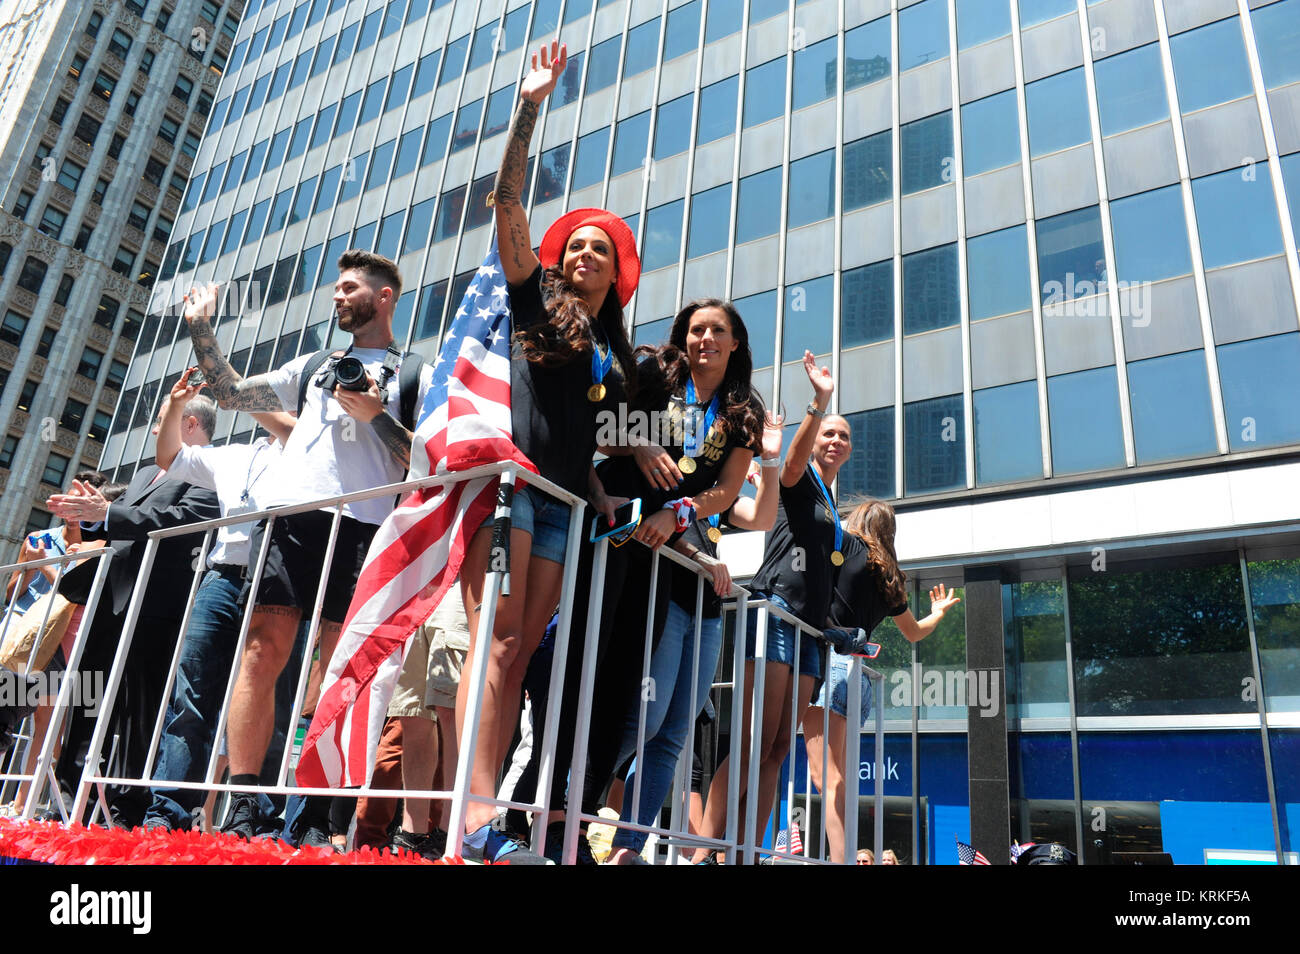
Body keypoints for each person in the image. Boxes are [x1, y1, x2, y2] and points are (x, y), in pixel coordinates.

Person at [452, 39, 639, 864]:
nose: (586, 254)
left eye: (602, 248)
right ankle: (468, 818)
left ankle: (482, 815)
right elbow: (507, 204)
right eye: (578, 245)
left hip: (566, 506)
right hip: (512, 487)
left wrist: (601, 489)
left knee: (522, 650)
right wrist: (531, 105)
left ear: (618, 274)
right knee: (494, 643)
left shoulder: (610, 353)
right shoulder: (535, 300)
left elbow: (592, 435)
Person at [179, 249, 432, 846]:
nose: (338, 296)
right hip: (292, 522)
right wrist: (200, 328)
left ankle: (316, 814)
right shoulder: (318, 362)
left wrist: (374, 414)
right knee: (263, 655)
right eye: (337, 288)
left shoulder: (415, 371)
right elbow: (231, 392)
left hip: (367, 530)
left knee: (340, 674)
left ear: (384, 297)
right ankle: (245, 803)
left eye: (349, 288)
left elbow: (423, 461)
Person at [605, 408, 785, 865]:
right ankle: (569, 809)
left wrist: (768, 459)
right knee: (641, 725)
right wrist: (699, 556)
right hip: (663, 599)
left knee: (672, 736)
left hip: (706, 611)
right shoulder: (675, 476)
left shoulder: (716, 500)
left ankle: (628, 848)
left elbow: (764, 516)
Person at [692, 351, 850, 862]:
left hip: (808, 629)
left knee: (779, 749)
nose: (835, 440)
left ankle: (743, 853)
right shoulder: (799, 477)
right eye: (829, 432)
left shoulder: (830, 501)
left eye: (843, 435)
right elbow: (793, 460)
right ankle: (701, 852)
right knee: (752, 742)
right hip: (775, 611)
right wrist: (818, 402)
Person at [47, 398, 220, 827]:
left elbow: (174, 517)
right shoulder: (144, 473)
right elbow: (119, 521)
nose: (153, 427)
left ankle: (126, 808)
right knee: (86, 699)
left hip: (157, 608)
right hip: (109, 601)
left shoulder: (214, 470)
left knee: (140, 712)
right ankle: (69, 800)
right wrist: (91, 516)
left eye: (161, 420)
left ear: (189, 423)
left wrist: (109, 513)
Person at [140, 368, 296, 832]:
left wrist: (233, 391)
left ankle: (255, 816)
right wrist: (174, 406)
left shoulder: (312, 455)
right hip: (221, 581)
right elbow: (169, 455)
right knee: (192, 694)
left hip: (281, 582)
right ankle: (167, 812)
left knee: (272, 698)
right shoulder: (233, 455)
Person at [803, 499, 960, 863]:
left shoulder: (847, 548)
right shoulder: (889, 577)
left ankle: (841, 858)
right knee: (837, 777)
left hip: (832, 664)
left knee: (825, 777)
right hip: (859, 679)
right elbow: (915, 633)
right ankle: (842, 854)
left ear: (856, 521)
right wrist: (936, 613)